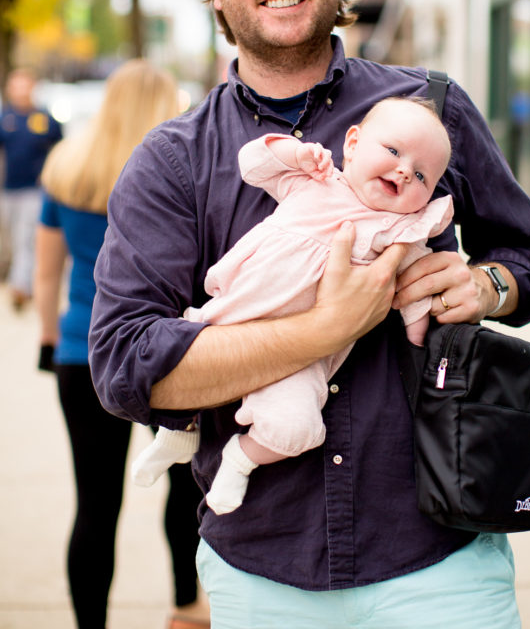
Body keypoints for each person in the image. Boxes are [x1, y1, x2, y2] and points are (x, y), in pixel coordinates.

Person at [90, 0, 530, 629]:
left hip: (439, 550)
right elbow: (125, 366)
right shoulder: (173, 161)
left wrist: (483, 285)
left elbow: (525, 251)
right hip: (265, 571)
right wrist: (321, 329)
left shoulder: (431, 112)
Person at [131, 96, 454, 514]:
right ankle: (176, 434)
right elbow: (253, 164)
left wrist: (419, 342)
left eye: (423, 176)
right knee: (181, 356)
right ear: (352, 144)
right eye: (393, 151)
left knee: (296, 424)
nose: (405, 170)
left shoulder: (398, 234)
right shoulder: (315, 181)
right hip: (233, 311)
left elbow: (415, 294)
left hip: (304, 360)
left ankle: (241, 458)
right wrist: (294, 153)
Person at [34, 60, 210, 629]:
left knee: (95, 503)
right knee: (184, 480)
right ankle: (186, 604)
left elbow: (46, 271)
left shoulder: (66, 170)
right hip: (163, 354)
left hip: (84, 354)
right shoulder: (176, 173)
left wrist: (51, 347)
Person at [0, 67, 62, 309]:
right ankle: (22, 278)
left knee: (26, 237)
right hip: (8, 190)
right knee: (13, 239)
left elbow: (59, 149)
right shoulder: (5, 118)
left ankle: (20, 287)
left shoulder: (45, 119)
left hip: (34, 191)